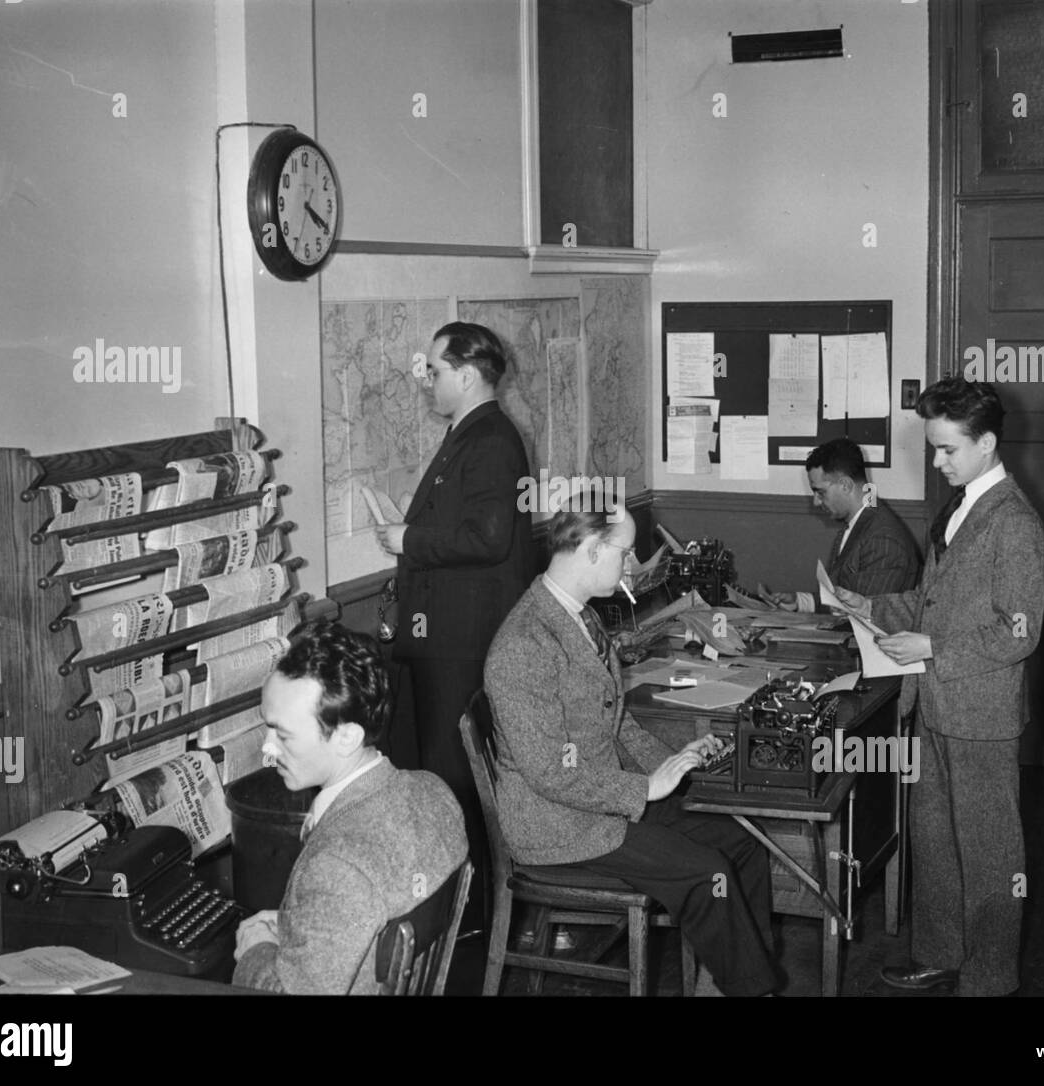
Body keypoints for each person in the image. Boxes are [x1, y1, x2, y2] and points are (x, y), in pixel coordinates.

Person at [484, 494, 783, 996]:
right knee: (706, 871)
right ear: (593, 549)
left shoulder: (580, 616)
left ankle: (738, 982)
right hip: (558, 825)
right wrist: (645, 788)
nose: (632, 565)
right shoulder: (523, 646)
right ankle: (754, 988)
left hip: (599, 802)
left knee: (742, 842)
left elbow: (616, 724)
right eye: (626, 553)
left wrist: (672, 763)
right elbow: (550, 775)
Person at [837, 377, 1044, 996]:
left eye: (948, 449)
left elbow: (1021, 629)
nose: (936, 461)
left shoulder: (1013, 522)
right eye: (932, 447)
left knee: (988, 853)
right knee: (935, 838)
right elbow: (936, 601)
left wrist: (932, 648)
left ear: (985, 443)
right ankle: (939, 952)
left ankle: (989, 977)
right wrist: (868, 602)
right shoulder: (959, 506)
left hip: (981, 712)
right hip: (936, 702)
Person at [374, 321, 537, 930]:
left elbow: (489, 537)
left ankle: (474, 923)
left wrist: (408, 538)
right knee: (452, 776)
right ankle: (469, 918)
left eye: (436, 371)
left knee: (459, 779)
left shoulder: (490, 438)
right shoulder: (471, 433)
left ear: (467, 375)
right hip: (446, 637)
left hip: (461, 643)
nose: (428, 383)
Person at [233, 620, 467, 994]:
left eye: (283, 733)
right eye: (267, 728)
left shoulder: (337, 867)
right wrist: (299, 922)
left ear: (346, 736)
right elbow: (370, 903)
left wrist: (255, 951)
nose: (267, 748)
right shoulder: (434, 792)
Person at [765, 437, 920, 610]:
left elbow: (867, 617)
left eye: (820, 492)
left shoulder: (882, 539)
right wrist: (801, 602)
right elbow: (844, 597)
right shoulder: (859, 523)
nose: (816, 502)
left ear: (845, 485)